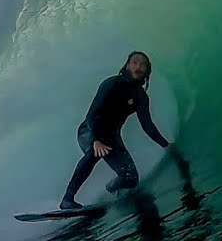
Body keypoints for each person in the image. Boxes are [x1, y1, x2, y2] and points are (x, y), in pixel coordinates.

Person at [60, 50, 171, 210]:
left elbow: (147, 125)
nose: (138, 67)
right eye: (134, 63)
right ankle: (67, 199)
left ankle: (112, 189)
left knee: (131, 177)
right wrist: (95, 140)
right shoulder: (111, 84)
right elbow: (92, 114)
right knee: (94, 153)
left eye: (143, 65)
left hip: (111, 138)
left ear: (147, 71)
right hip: (89, 131)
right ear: (127, 66)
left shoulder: (140, 96)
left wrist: (166, 146)